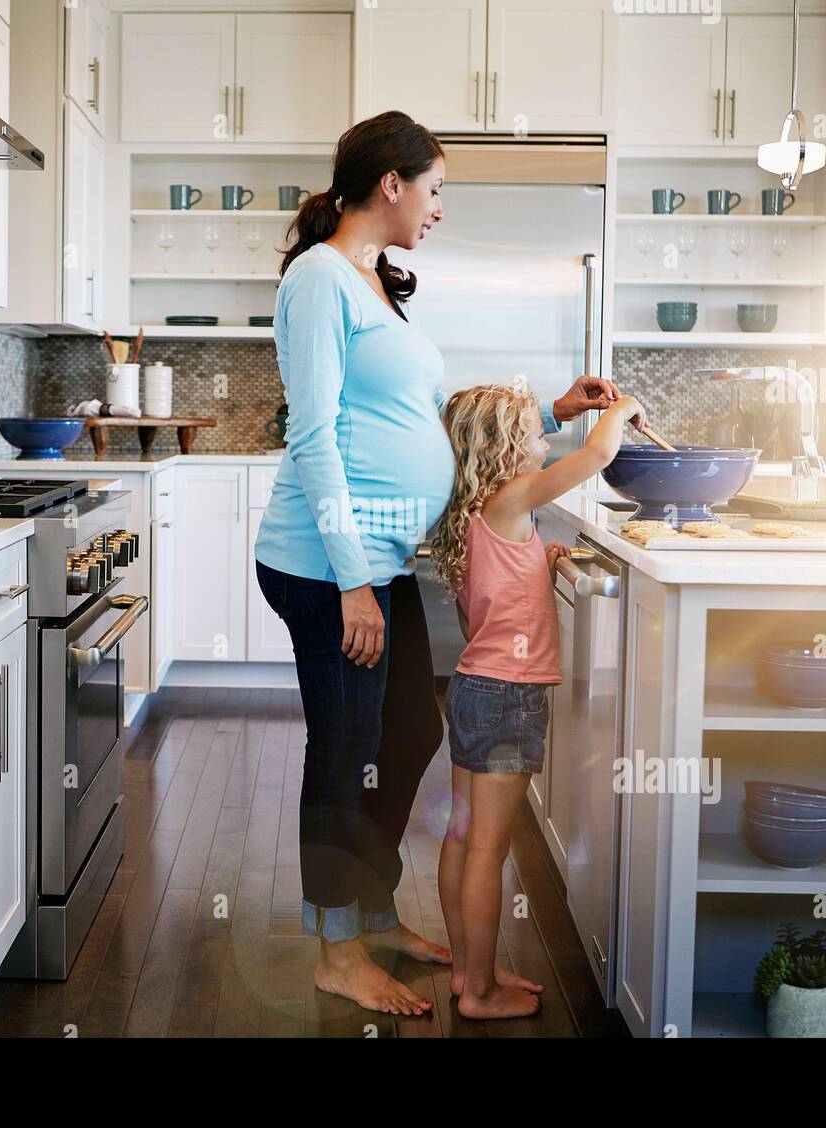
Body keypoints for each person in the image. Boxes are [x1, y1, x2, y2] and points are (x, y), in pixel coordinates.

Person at [253, 110, 622, 1015]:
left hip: (378, 559)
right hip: (323, 562)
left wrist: (555, 417)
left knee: (410, 733)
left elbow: (436, 428)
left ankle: (370, 911)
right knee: (343, 750)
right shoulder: (318, 281)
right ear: (392, 182)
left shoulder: (376, 287)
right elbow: (313, 437)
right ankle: (335, 953)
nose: (439, 209)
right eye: (437, 188)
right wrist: (349, 580)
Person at [431, 383, 646, 1019]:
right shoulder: (516, 496)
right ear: (504, 448)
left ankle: (468, 969)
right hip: (509, 701)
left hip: (473, 689)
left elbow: (485, 618)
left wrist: (540, 562)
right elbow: (596, 458)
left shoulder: (475, 512)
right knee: (489, 851)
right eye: (534, 434)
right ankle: (477, 993)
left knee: (461, 835)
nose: (545, 442)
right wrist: (621, 410)